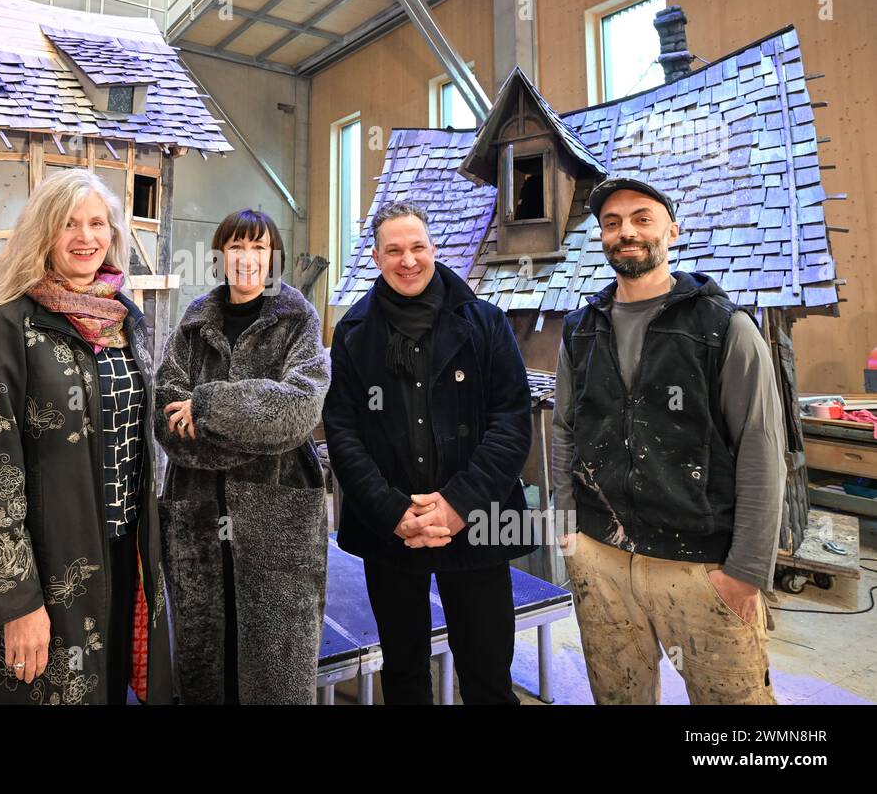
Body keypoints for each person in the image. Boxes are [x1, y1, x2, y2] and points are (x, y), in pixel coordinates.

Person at [551, 177, 785, 704]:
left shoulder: (723, 327)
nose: (625, 232)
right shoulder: (579, 330)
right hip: (601, 557)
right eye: (611, 224)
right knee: (618, 698)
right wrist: (569, 531)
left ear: (671, 233)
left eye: (641, 219)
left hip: (701, 565)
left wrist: (746, 570)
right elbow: (565, 429)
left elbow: (761, 448)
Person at [0, 168, 172, 705]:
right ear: (44, 236)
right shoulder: (12, 326)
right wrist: (17, 600)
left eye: (97, 223)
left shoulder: (129, 320)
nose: (86, 238)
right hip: (51, 563)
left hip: (125, 556)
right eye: (69, 225)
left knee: (108, 690)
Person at [323, 201, 534, 705]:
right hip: (392, 531)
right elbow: (343, 432)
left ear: (434, 251)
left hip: (477, 523)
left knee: (487, 673)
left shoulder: (486, 324)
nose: (408, 260)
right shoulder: (354, 335)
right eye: (394, 250)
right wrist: (393, 510)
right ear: (376, 258)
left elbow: (511, 421)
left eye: (418, 247)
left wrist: (459, 503)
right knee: (403, 671)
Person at [155, 209, 330, 704]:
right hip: (200, 520)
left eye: (258, 248)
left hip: (277, 522)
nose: (247, 259)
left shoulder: (297, 321)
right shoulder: (192, 326)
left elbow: (298, 410)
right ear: (220, 255)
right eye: (236, 247)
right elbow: (164, 420)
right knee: (207, 664)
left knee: (274, 667)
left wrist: (206, 407)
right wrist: (256, 435)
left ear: (273, 256)